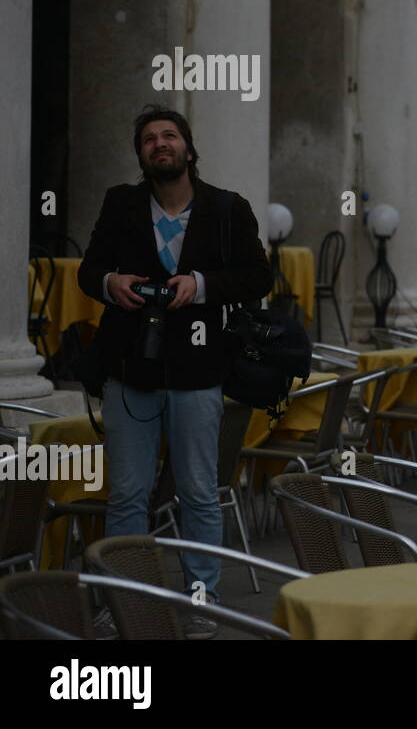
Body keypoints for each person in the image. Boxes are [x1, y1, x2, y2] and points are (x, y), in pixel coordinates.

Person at [78, 105, 272, 638]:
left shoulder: (228, 208)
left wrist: (202, 285)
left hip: (198, 369)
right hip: (127, 369)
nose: (159, 144)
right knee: (127, 497)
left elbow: (259, 275)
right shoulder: (121, 203)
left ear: (188, 147)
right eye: (148, 139)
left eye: (169, 136)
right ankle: (121, 603)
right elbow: (89, 271)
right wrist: (110, 283)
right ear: (140, 154)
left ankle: (201, 602)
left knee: (199, 493)